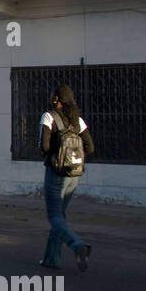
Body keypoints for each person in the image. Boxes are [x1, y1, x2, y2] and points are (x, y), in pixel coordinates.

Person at [39, 84, 95, 272]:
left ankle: (78, 246)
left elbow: (44, 147)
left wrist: (57, 155)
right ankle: (51, 259)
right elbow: (90, 147)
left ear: (57, 99)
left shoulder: (49, 116)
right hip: (74, 175)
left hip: (56, 173)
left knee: (54, 217)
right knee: (60, 216)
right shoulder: (78, 120)